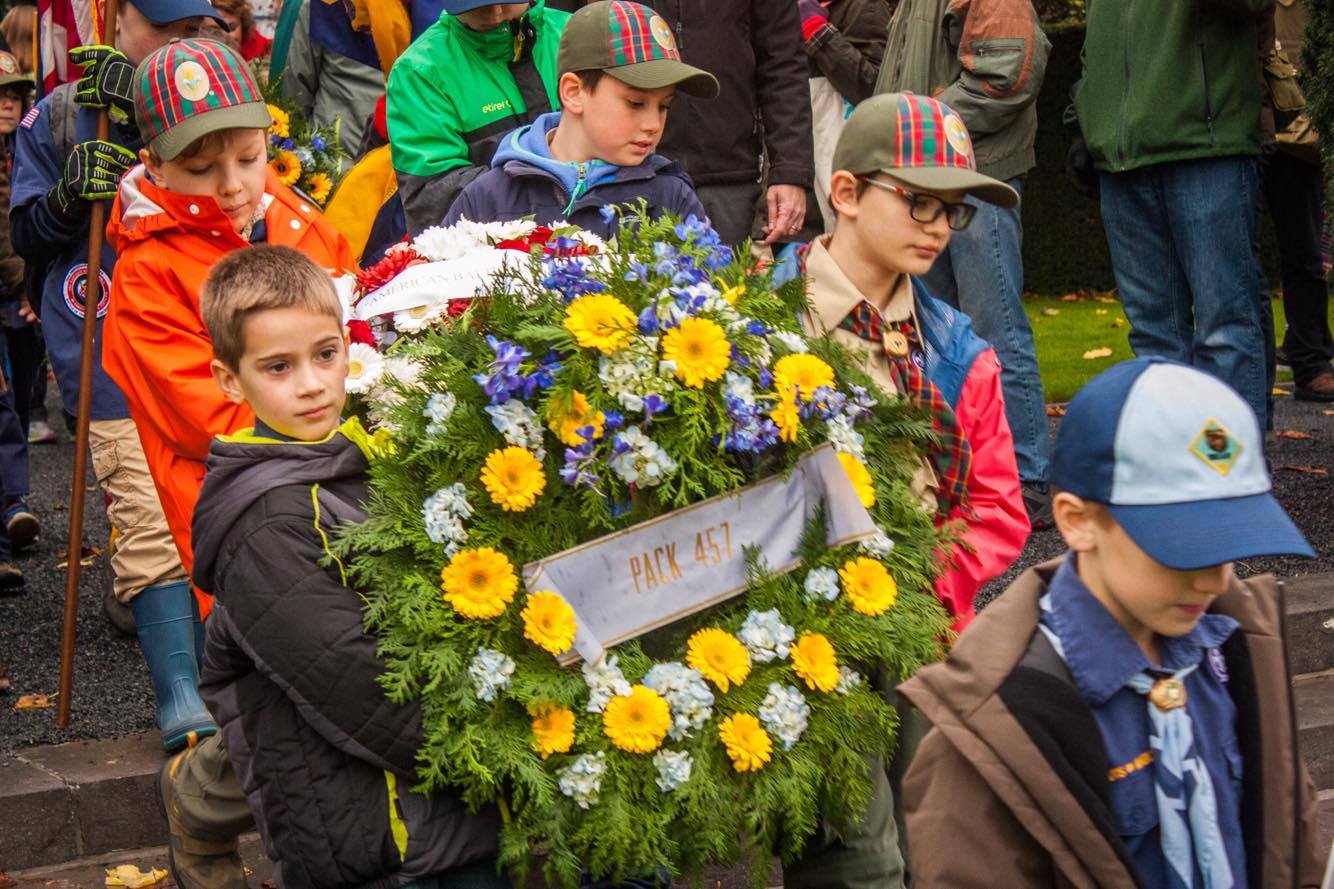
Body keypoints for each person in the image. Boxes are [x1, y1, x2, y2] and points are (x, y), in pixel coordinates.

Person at [899, 356, 1327, 887]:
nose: (1216, 582)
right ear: (1077, 522)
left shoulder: (1240, 648)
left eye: (1232, 545)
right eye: (1184, 549)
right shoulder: (992, 726)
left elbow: (1291, 838)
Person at [101, 37, 355, 888]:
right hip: (247, 519)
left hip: (342, 491)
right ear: (158, 166)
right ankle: (209, 811)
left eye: (249, 156)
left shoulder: (289, 214)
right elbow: (207, 416)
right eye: (206, 170)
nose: (237, 184)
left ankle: (200, 805)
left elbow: (353, 303)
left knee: (309, 698)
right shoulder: (146, 277)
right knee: (291, 702)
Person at [188, 244, 506, 889]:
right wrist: (511, 751)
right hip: (380, 839)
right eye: (278, 367)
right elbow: (368, 694)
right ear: (230, 380)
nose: (311, 383)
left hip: (444, 816)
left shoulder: (357, 458)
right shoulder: (269, 526)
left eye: (326, 355)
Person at [775, 92, 1028, 888]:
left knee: (933, 848)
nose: (936, 226)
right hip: (803, 650)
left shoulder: (959, 352)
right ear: (845, 193)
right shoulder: (759, 323)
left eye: (950, 211)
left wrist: (912, 590)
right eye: (917, 199)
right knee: (856, 863)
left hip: (924, 636)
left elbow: (998, 510)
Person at [9, 0, 225, 752]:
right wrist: (71, 195)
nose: (185, 42)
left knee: (224, 504)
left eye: (196, 24)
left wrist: (143, 124)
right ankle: (182, 691)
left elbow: (241, 190)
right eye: (165, 27)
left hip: (210, 340)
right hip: (108, 346)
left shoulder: (217, 81)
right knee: (143, 512)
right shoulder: (63, 114)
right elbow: (25, 234)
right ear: (113, 19)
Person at [875, 0, 1053, 527]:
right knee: (933, 335)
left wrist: (913, 129)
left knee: (994, 328)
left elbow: (1008, 74)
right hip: (927, 180)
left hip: (975, 182)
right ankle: (959, 474)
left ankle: (1027, 480)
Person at [1072, 1, 1272, 429]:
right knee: (1153, 335)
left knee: (1224, 330)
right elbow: (1097, 44)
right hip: (1123, 160)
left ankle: (1232, 480)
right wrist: (1082, 122)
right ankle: (1173, 473)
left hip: (1205, 147)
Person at [444, 0, 715, 238]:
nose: (653, 125)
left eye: (664, 107)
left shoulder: (671, 196)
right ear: (573, 93)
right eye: (635, 103)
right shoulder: (488, 197)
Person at [387, 0, 571, 237]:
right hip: (491, 255)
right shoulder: (419, 71)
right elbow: (433, 196)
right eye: (475, 3)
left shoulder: (574, 36)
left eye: (506, 1)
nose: (494, 14)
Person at [644, 0, 812, 249]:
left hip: (728, 176)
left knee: (723, 286)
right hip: (631, 168)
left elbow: (783, 65)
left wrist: (791, 171)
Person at [1260, 0, 1333, 402]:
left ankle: (1311, 362)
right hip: (1244, 127)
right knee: (1237, 261)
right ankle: (1254, 369)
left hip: (1298, 138)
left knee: (1305, 254)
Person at [797, 0, 891, 230]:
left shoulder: (864, 5)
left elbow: (873, 87)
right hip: (792, 187)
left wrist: (818, 32)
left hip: (838, 183)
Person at [0, 50, 40, 558]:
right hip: (7, 289)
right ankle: (8, 510)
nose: (7, 104)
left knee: (24, 393)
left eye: (15, 95)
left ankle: (13, 501)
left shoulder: (29, 147)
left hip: (21, 298)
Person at [201, 0, 272, 62]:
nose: (225, 35)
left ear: (243, 25)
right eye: (214, 30)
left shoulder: (267, 52)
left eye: (231, 28)